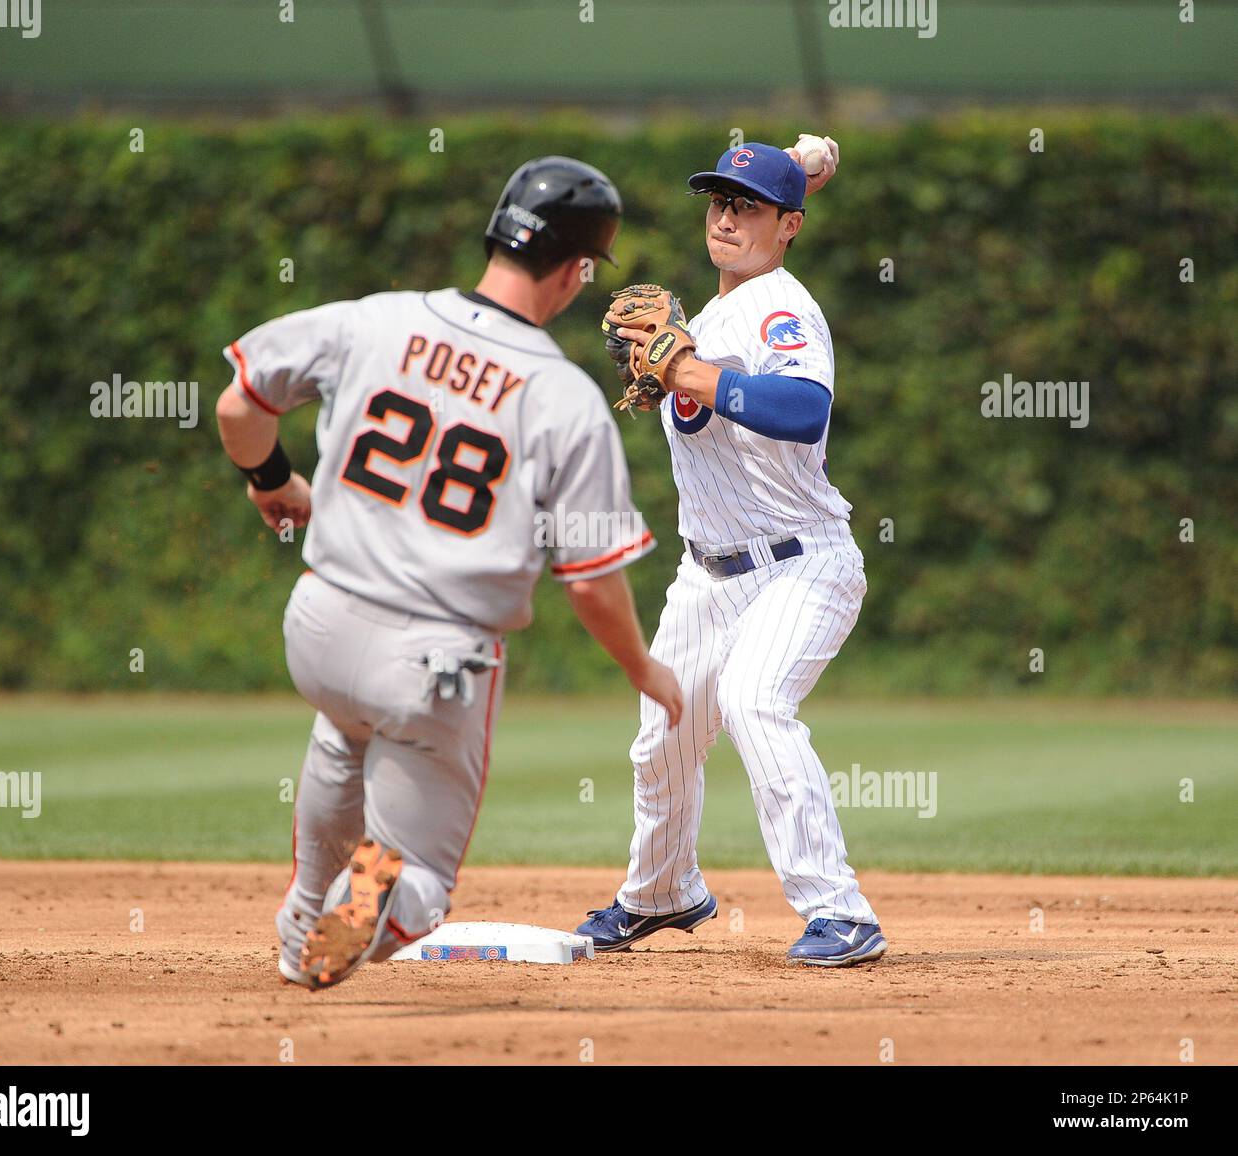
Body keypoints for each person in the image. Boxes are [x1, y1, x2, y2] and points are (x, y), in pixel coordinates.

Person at [215, 156, 682, 989]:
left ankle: (304, 915)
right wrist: (645, 670)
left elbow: (239, 402)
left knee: (341, 736)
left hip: (319, 623)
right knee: (420, 880)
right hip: (433, 663)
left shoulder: (376, 321)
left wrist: (272, 481)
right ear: (578, 272)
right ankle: (349, 916)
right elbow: (589, 581)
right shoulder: (562, 398)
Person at [576, 138, 888, 966]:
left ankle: (841, 912)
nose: (724, 216)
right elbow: (780, 185)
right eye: (717, 201)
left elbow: (803, 409)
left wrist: (696, 374)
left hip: (801, 563)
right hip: (705, 573)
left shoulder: (781, 306)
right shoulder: (705, 321)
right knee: (663, 737)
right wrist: (795, 168)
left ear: (788, 228)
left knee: (754, 701)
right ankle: (661, 894)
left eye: (745, 206)